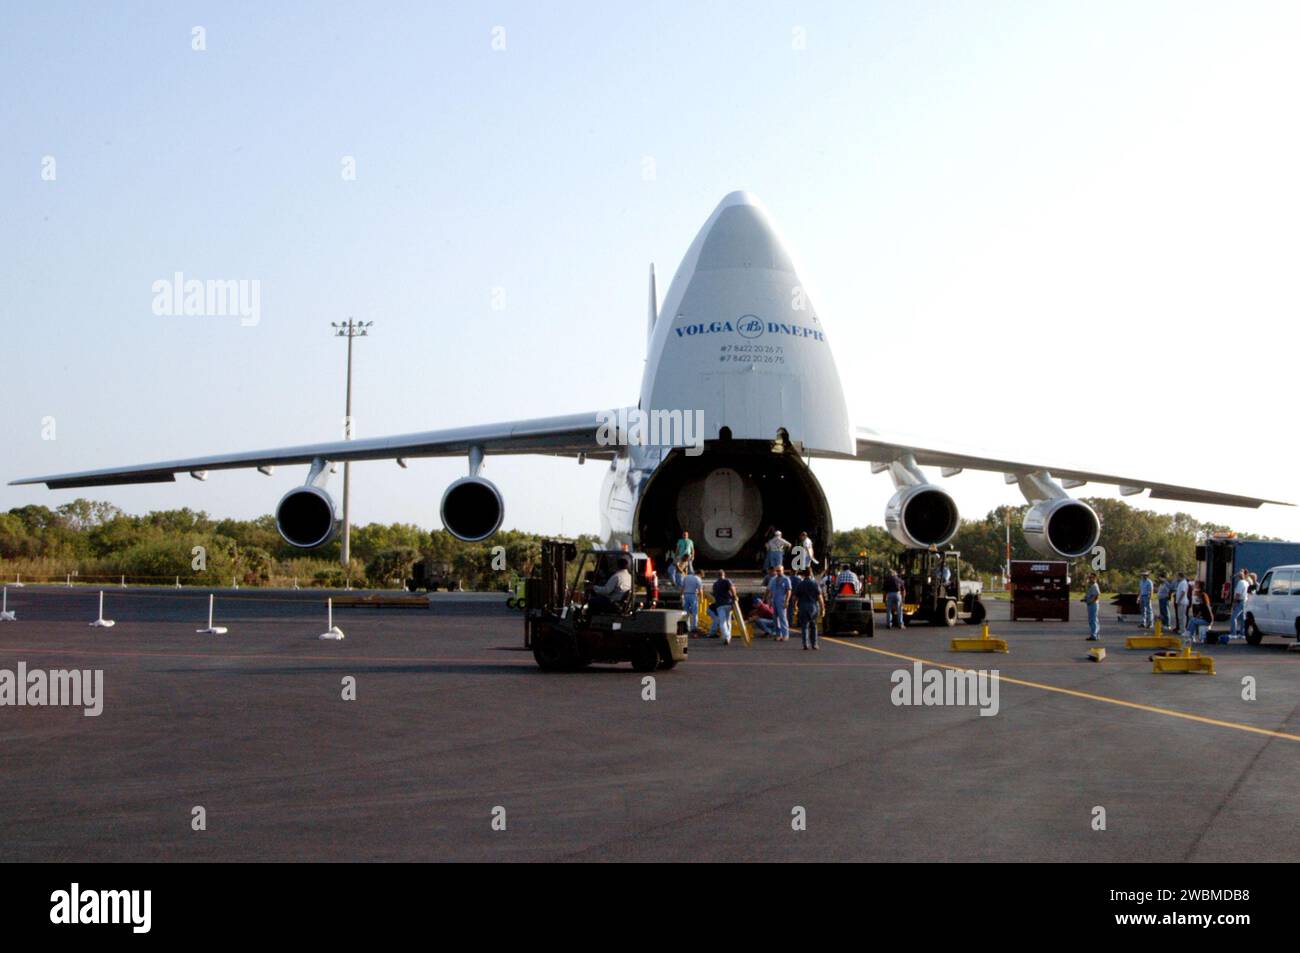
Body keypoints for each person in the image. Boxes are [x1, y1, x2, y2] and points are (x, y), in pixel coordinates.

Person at [794, 567, 826, 650]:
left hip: (803, 606)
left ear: (804, 574)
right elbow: (820, 597)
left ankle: (805, 644)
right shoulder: (814, 584)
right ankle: (814, 644)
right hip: (813, 606)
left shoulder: (800, 584)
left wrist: (795, 606)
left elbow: (796, 597)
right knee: (814, 626)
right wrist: (823, 608)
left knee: (804, 626)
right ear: (811, 573)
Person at [764, 564, 793, 642]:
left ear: (783, 570)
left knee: (783, 618)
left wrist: (787, 601)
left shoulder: (786, 579)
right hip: (774, 601)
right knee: (775, 619)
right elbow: (770, 590)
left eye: (779, 571)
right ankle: (778, 634)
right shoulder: (773, 579)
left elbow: (789, 591)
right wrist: (769, 600)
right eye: (776, 571)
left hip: (781, 601)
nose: (778, 572)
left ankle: (785, 635)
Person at [709, 571, 737, 644]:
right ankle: (728, 637)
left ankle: (725, 637)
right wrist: (734, 597)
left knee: (722, 622)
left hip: (719, 605)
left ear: (717, 576)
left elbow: (714, 594)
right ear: (724, 575)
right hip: (728, 603)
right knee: (728, 621)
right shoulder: (727, 581)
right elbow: (732, 588)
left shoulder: (715, 584)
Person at [679, 566, 703, 636]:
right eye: (701, 576)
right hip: (693, 595)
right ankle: (694, 627)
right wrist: (701, 599)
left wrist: (681, 595)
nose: (701, 577)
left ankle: (687, 626)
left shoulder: (686, 577)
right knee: (695, 612)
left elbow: (682, 587)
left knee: (686, 612)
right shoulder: (698, 579)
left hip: (685, 595)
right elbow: (700, 590)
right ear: (699, 574)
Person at [1229, 569, 1250, 641]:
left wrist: (1234, 603)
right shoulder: (1246, 583)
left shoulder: (1240, 583)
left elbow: (1238, 594)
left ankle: (1233, 633)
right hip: (1245, 601)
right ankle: (1242, 633)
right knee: (1242, 618)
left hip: (1240, 601)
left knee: (1233, 617)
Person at [1084, 573, 1101, 640]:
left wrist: (1091, 601)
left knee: (1093, 620)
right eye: (1089, 577)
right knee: (1094, 620)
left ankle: (1093, 635)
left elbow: (1097, 595)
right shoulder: (1091, 586)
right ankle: (1096, 635)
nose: (1090, 579)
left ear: (1095, 578)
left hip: (1093, 605)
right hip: (1091, 604)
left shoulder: (1094, 585)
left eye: (1091, 577)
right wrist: (1085, 599)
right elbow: (1091, 595)